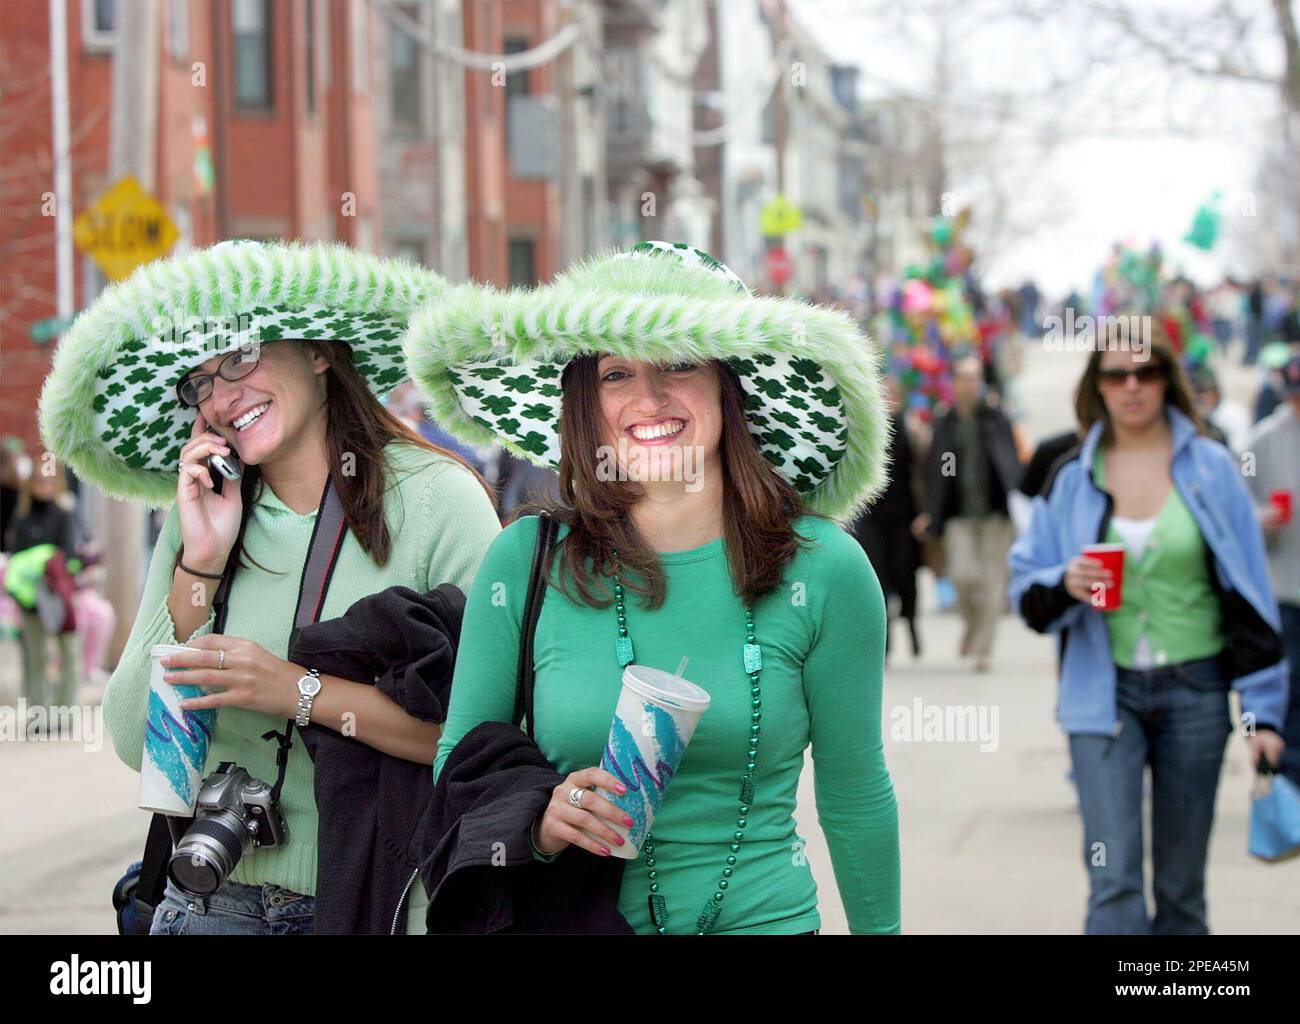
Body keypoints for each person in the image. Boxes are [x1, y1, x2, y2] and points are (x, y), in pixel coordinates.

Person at [411, 241, 901, 934]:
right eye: (616, 373)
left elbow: (856, 795)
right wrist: (540, 823)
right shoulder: (523, 561)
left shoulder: (824, 569)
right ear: (587, 402)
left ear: (730, 386)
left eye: (678, 363)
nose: (648, 397)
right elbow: (456, 769)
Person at [38, 240, 501, 934]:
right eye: (201, 382)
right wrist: (201, 562)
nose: (224, 398)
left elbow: (485, 740)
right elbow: (139, 741)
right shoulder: (202, 510)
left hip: (381, 905)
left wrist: (297, 692)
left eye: (240, 357)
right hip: (207, 902)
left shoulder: (441, 502)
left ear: (317, 350)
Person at [1009, 335, 1288, 934]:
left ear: (1167, 381)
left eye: (1146, 372)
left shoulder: (1211, 468)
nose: (1131, 386)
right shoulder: (1071, 476)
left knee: (1182, 889)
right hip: (1103, 701)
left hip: (1198, 692)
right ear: (1097, 387)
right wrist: (1066, 582)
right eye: (1116, 375)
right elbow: (1026, 590)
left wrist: (1263, 715)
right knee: (1113, 883)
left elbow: (1251, 593)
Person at [914, 354, 1022, 672]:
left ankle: (983, 649)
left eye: (975, 377)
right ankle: (973, 630)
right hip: (958, 514)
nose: (969, 384)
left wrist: (1017, 499)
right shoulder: (946, 422)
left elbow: (1011, 460)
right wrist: (931, 513)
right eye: (963, 377)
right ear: (954, 383)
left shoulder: (995, 417)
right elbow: (938, 470)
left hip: (994, 514)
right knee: (961, 576)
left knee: (992, 583)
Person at [1242, 352, 1300, 788]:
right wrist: (1263, 518)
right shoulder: (1261, 440)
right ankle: (1288, 776)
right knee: (1288, 682)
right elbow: (1239, 512)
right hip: (1282, 584)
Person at [849, 375, 921, 659]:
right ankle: (887, 640)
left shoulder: (912, 429)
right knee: (879, 578)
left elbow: (926, 470)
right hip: (870, 517)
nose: (887, 400)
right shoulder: (865, 431)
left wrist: (927, 512)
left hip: (904, 516)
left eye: (892, 394)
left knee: (905, 575)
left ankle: (913, 625)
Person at [3, 456, 82, 708]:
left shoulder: (63, 516)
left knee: (68, 652)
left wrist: (50, 565)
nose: (44, 486)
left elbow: (70, 554)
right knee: (35, 656)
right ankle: (37, 712)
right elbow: (15, 556)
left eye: (49, 481)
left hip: (58, 594)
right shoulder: (22, 520)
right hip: (29, 597)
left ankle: (64, 710)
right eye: (40, 481)